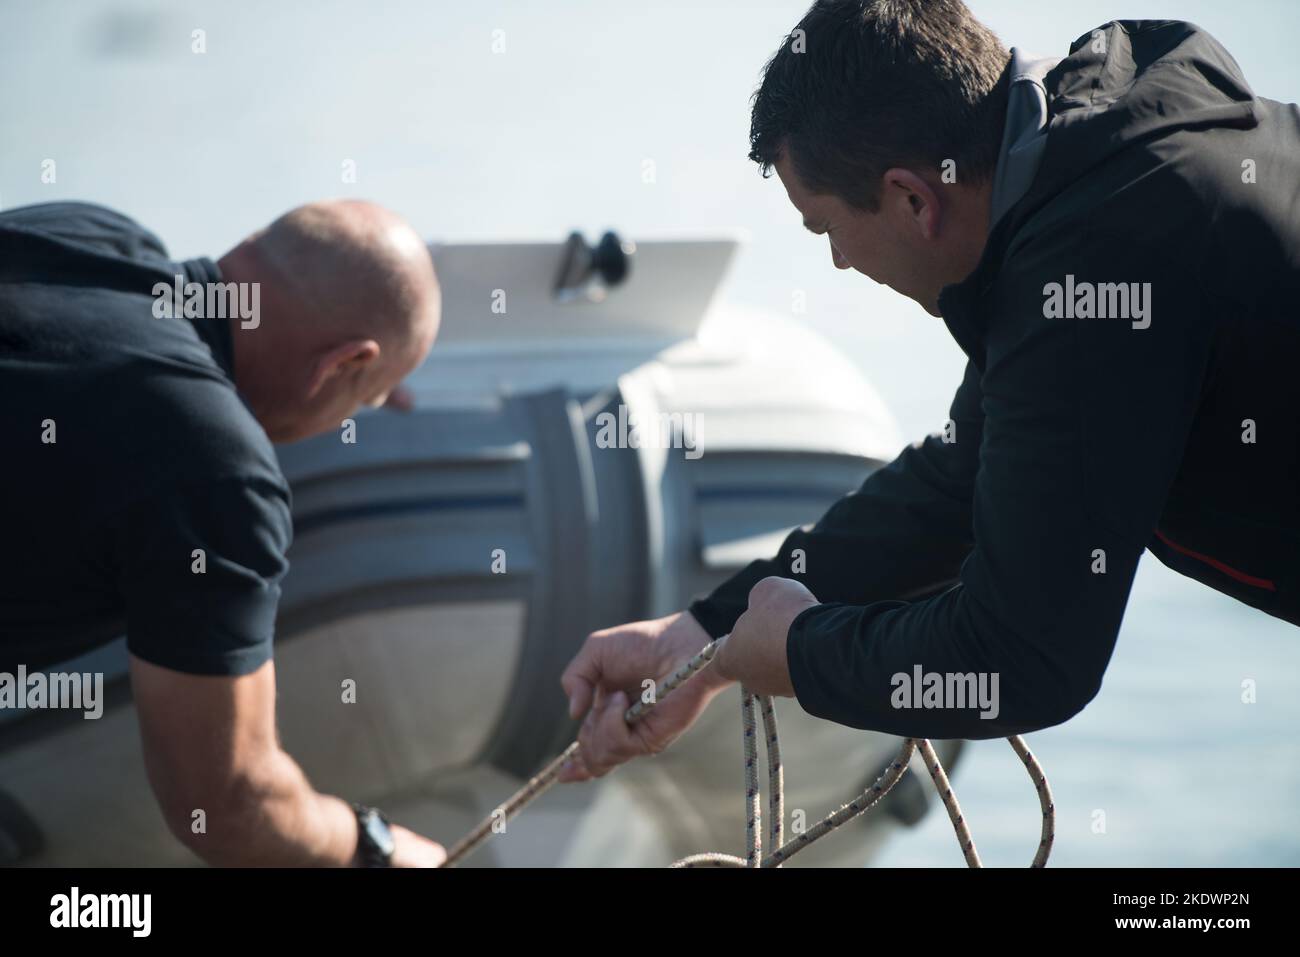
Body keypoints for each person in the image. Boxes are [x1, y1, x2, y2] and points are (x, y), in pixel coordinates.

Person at [559, 0, 1300, 782]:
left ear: (914, 199)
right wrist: (704, 637)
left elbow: (1019, 658)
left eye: (825, 229)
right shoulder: (1101, 160)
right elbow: (961, 477)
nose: (840, 261)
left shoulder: (1088, 271)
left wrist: (804, 655)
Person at [0, 199, 446, 866]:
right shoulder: (218, 477)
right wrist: (374, 847)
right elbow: (229, 804)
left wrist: (369, 385)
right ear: (344, 362)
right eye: (372, 394)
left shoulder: (91, 231)